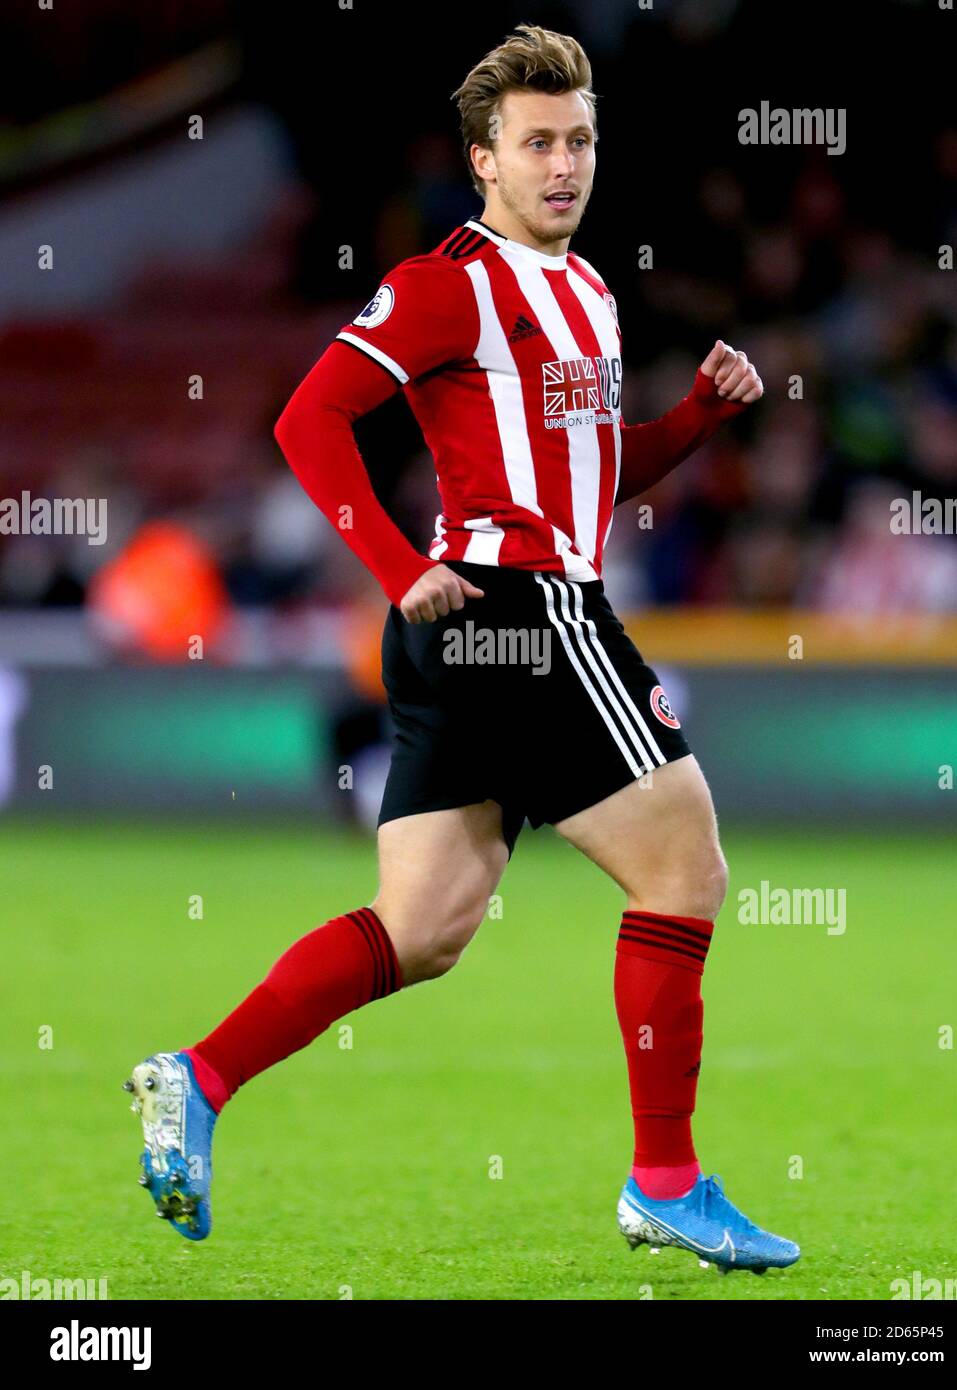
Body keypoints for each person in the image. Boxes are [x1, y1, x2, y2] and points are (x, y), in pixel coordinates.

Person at [125, 23, 798, 1275]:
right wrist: (397, 561)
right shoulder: (452, 283)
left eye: (580, 141)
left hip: (486, 619)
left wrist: (696, 419)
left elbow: (595, 476)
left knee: (425, 922)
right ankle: (666, 1182)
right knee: (686, 870)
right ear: (483, 158)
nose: (563, 165)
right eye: (537, 143)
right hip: (518, 612)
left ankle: (198, 1078)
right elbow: (307, 417)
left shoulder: (586, 289)